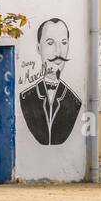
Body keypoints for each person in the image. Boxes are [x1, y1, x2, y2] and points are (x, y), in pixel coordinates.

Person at [19, 18, 82, 146]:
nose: (58, 51)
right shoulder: (26, 97)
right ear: (38, 48)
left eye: (64, 43)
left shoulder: (75, 101)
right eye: (50, 43)